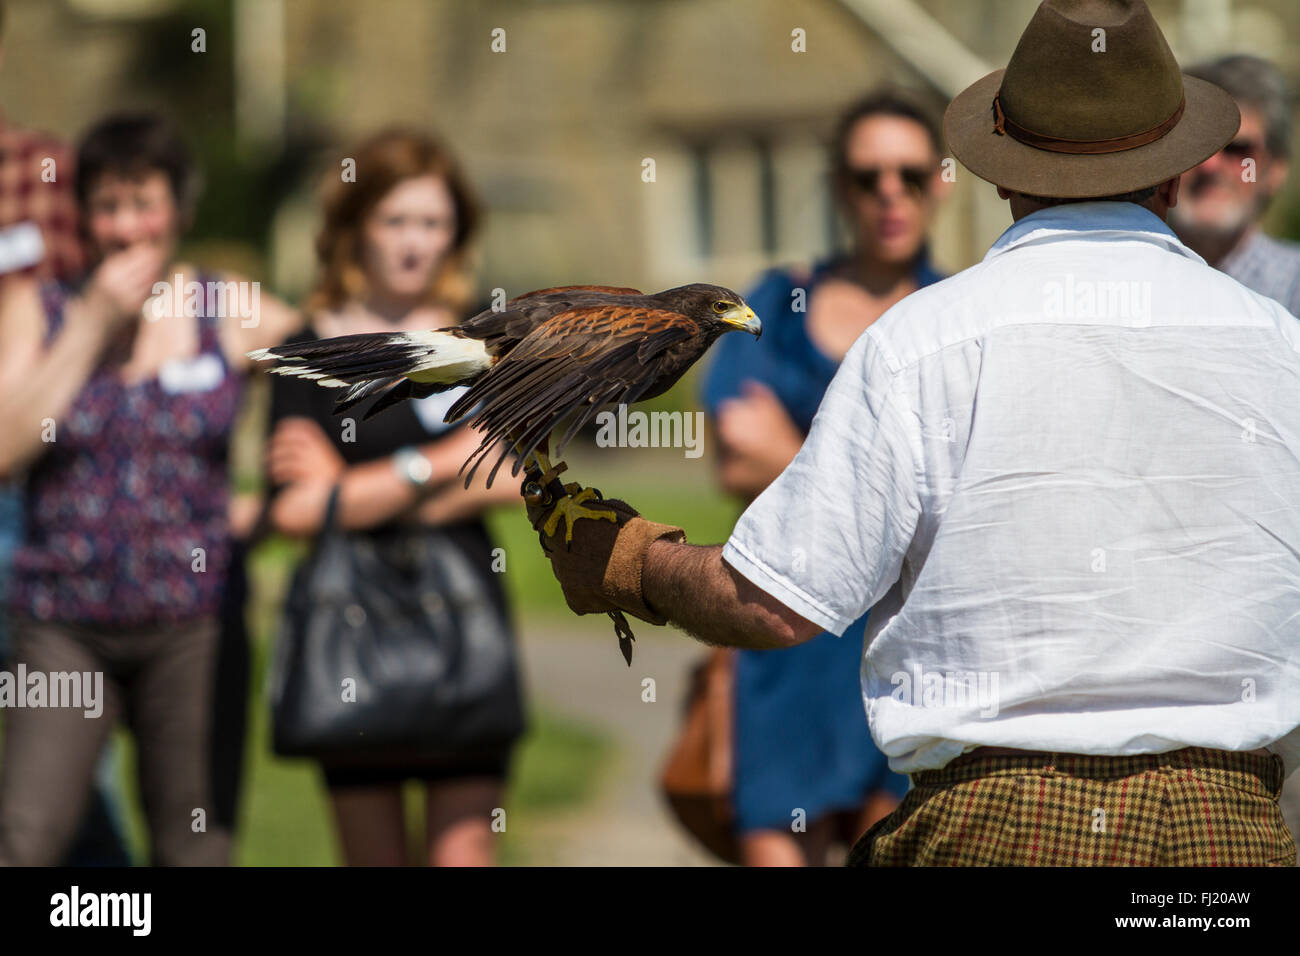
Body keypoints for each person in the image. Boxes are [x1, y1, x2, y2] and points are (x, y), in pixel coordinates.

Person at [528, 0, 1299, 866]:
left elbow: (777, 602)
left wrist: (633, 562)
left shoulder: (920, 342)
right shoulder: (1280, 345)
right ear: (1173, 171)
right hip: (1226, 839)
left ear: (1004, 173)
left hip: (994, 826)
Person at [0, 112, 298, 865]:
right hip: (62, 623)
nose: (126, 227)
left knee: (194, 848)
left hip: (193, 623)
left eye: (144, 203)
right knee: (25, 839)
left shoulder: (221, 308)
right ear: (84, 218)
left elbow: (328, 370)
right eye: (108, 206)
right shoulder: (43, 308)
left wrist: (272, 504)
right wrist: (92, 323)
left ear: (181, 211)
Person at [263, 129, 525, 867]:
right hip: (351, 636)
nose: (415, 243)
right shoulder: (308, 352)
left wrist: (347, 492)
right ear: (354, 228)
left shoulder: (484, 341)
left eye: (433, 223)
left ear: (457, 233)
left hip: (463, 631)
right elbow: (291, 512)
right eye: (395, 220)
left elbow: (512, 477)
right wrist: (437, 466)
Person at [699, 89, 948, 865]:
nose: (889, 194)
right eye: (867, 175)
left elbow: (964, 482)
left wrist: (795, 453)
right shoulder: (778, 300)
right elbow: (735, 451)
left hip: (908, 638)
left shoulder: (955, 312)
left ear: (941, 180)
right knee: (776, 838)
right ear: (840, 186)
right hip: (784, 624)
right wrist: (896, 480)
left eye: (910, 174)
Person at [1169, 55, 1299, 318]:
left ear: (1274, 171)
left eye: (1238, 149)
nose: (1210, 165)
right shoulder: (1124, 278)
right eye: (1196, 146)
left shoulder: (1293, 287)